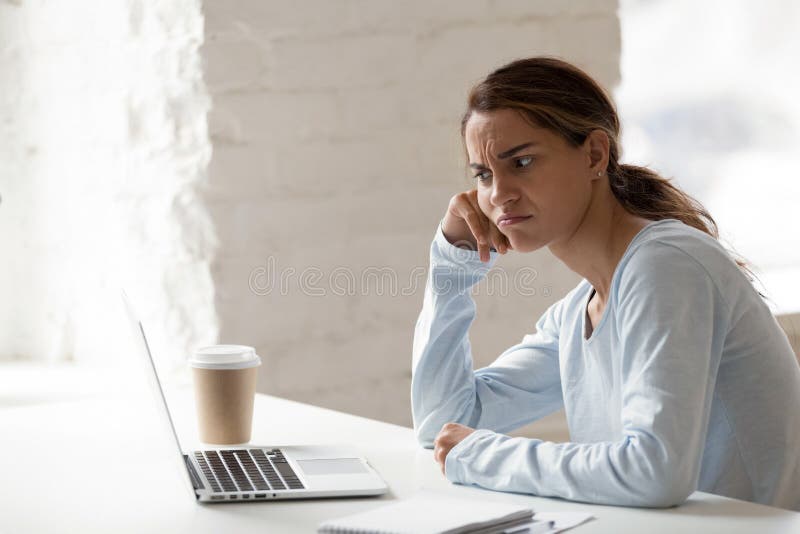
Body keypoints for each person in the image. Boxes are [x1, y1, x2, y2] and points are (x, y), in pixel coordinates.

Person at [411, 57, 800, 510]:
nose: (498, 194)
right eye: (483, 174)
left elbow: (655, 472)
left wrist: (481, 454)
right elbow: (444, 423)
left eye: (522, 161)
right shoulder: (581, 310)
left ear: (595, 155)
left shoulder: (666, 266)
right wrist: (452, 261)